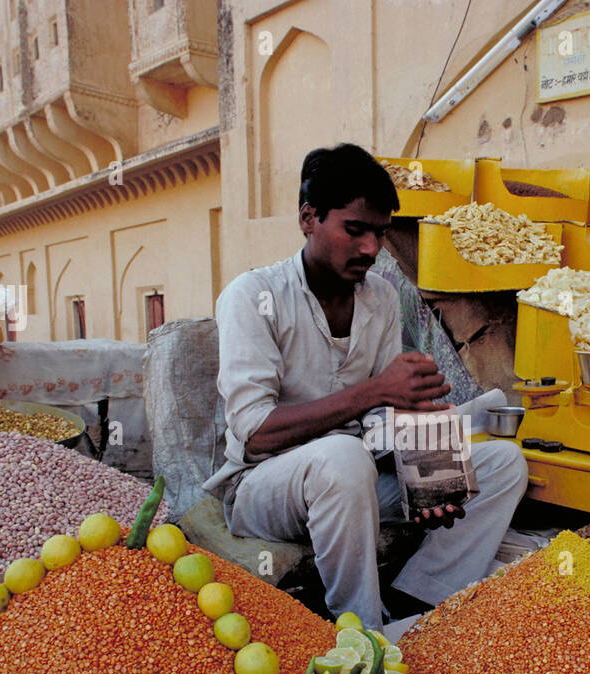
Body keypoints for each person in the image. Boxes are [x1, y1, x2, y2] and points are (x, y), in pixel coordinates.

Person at [203, 143, 529, 629]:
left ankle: (417, 607)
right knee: (343, 456)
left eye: (380, 233)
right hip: (264, 488)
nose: (371, 249)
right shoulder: (253, 296)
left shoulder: (381, 297)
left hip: (355, 477)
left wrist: (428, 468)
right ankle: (364, 631)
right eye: (354, 230)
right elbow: (255, 433)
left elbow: (381, 418)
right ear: (308, 218)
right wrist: (375, 391)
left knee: (503, 462)